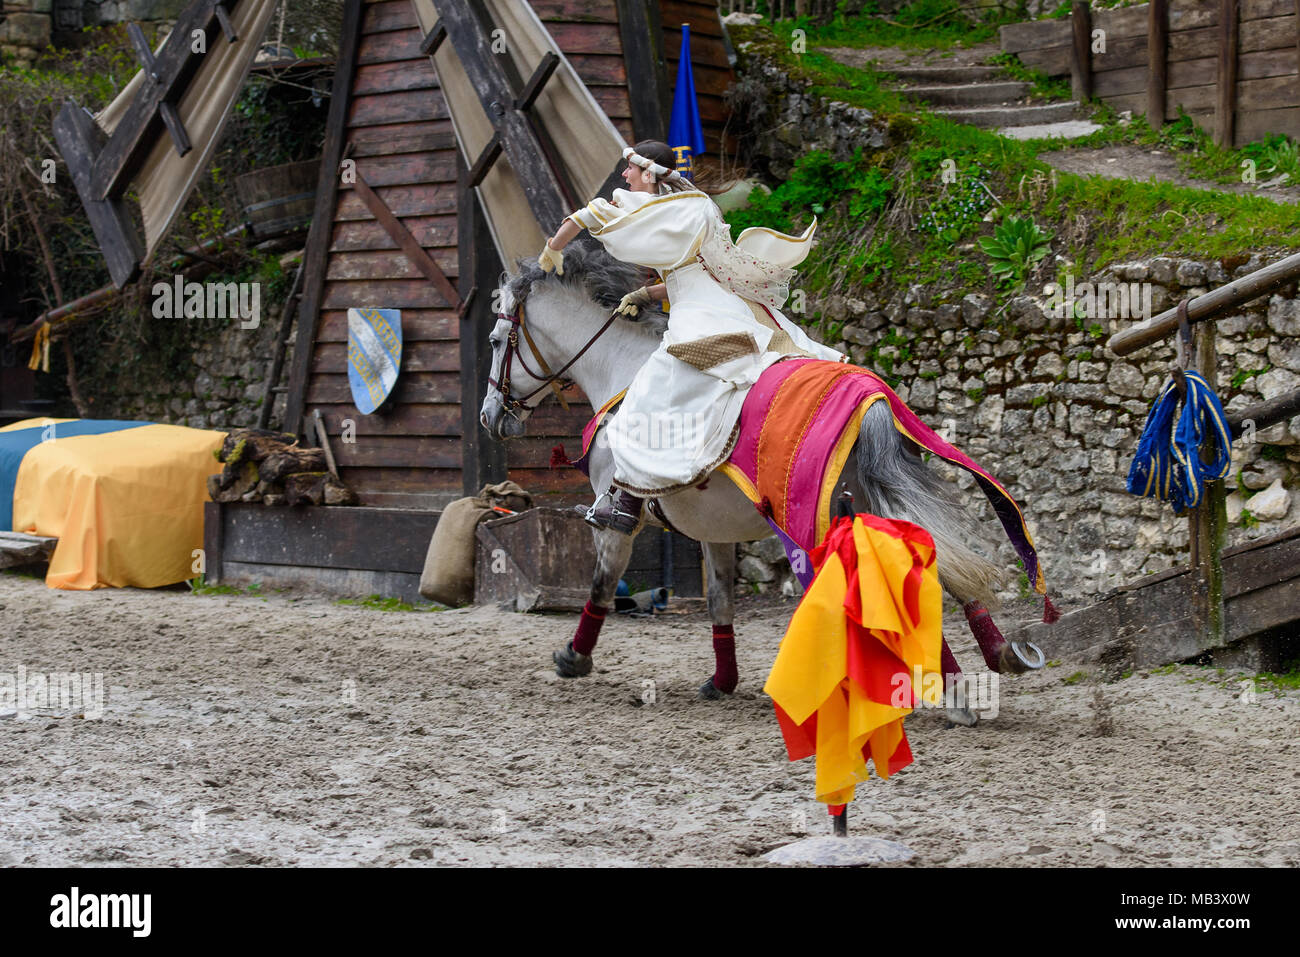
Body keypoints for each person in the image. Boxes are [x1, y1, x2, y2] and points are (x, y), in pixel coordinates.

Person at [538, 140, 847, 534]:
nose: (624, 176)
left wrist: (552, 248)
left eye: (629, 169)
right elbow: (698, 271)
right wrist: (645, 293)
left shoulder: (657, 209)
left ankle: (626, 501)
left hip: (699, 316)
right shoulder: (698, 206)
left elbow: (590, 214)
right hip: (728, 305)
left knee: (646, 392)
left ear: (648, 174)